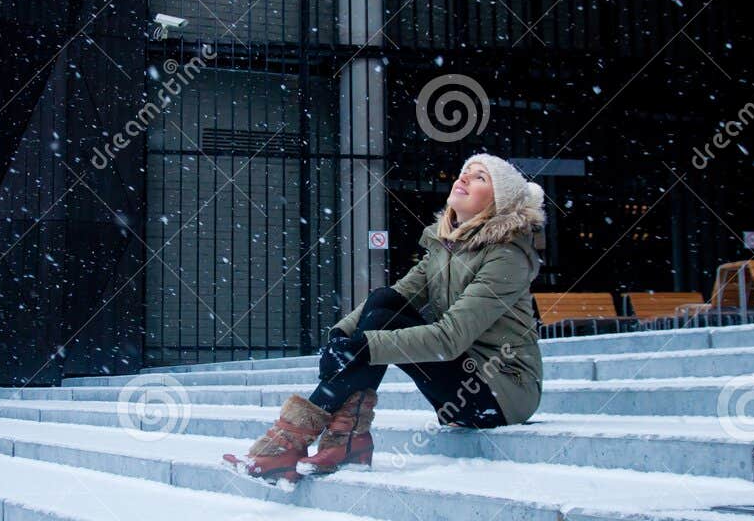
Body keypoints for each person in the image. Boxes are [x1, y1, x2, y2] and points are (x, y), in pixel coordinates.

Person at [223, 153, 547, 484]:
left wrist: (363, 347)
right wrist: (339, 337)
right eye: (464, 172)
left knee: (379, 327)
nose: (462, 178)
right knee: (382, 303)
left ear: (500, 202)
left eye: (479, 177)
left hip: (500, 393)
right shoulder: (444, 248)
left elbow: (450, 338)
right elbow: (394, 297)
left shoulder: (507, 256)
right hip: (463, 379)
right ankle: (345, 439)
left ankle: (293, 441)